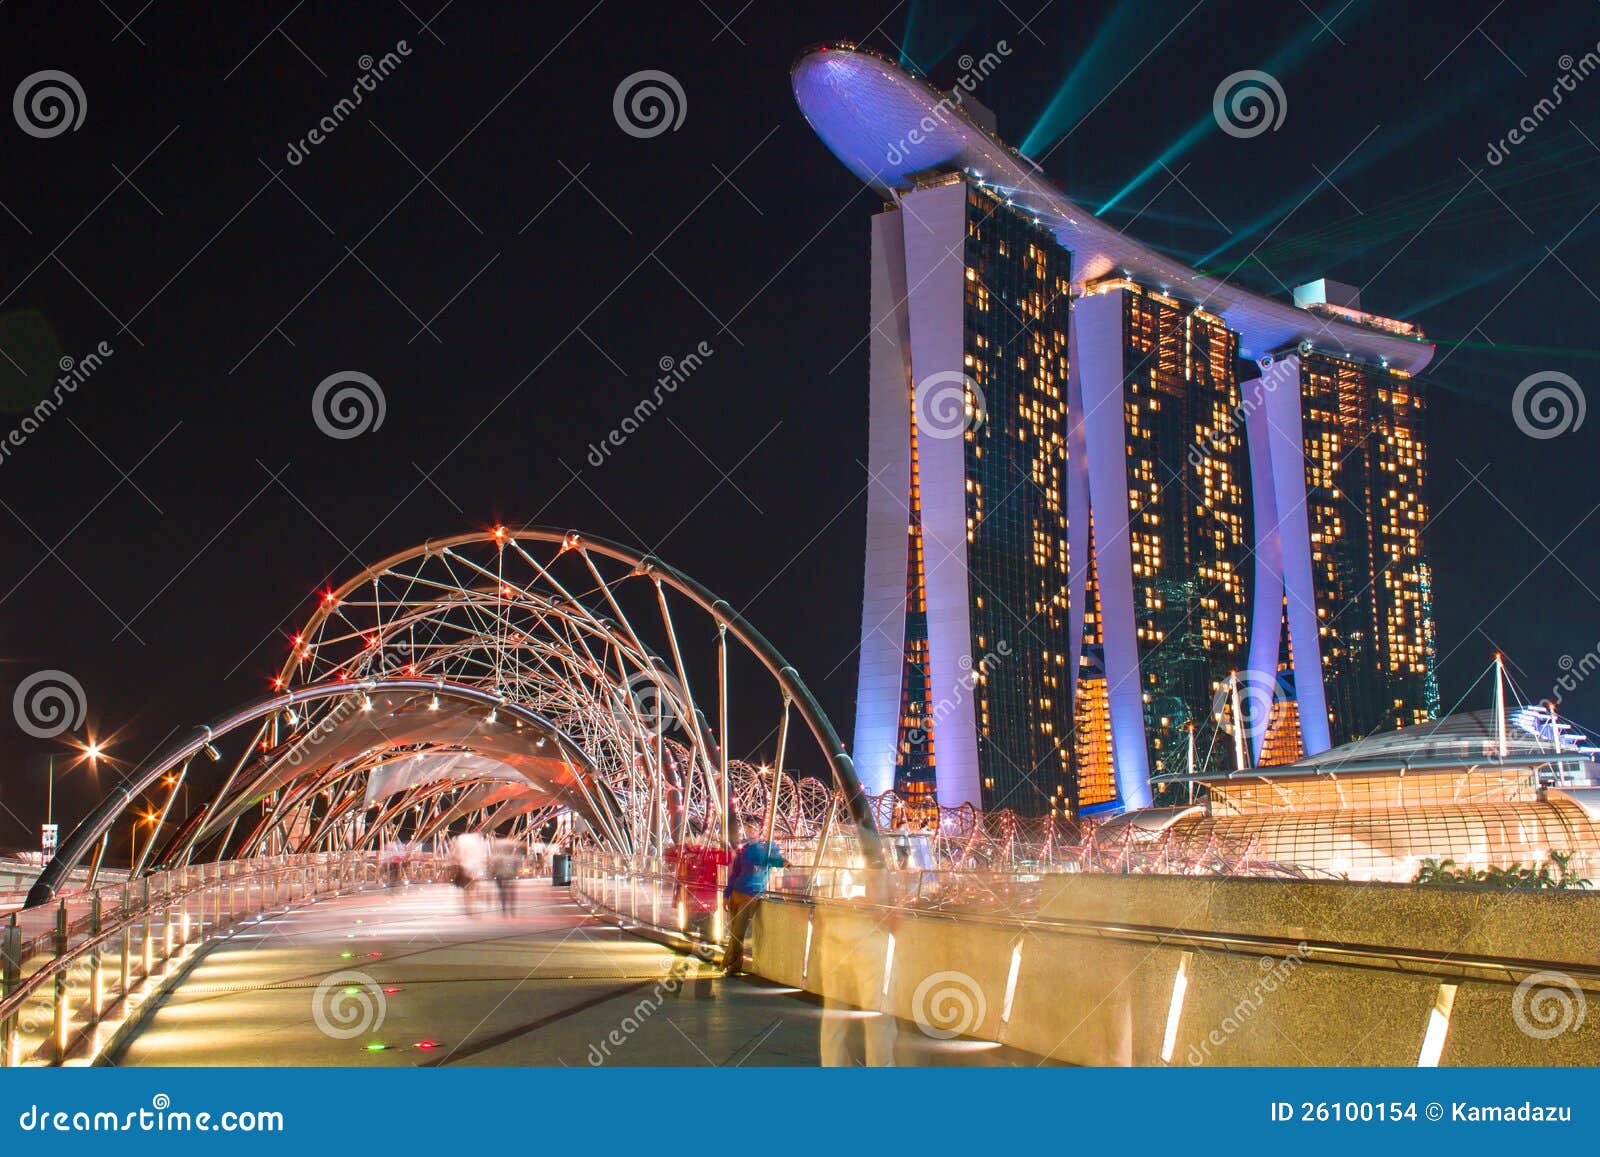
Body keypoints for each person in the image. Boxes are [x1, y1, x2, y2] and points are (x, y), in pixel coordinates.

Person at [721, 838, 787, 977]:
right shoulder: (744, 849)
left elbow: (775, 859)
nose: (750, 830)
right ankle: (734, 965)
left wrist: (783, 862)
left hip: (751, 895)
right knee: (734, 932)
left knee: (738, 932)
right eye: (748, 827)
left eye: (754, 828)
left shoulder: (768, 847)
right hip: (736, 893)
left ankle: (729, 963)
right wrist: (726, 895)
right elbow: (735, 874)